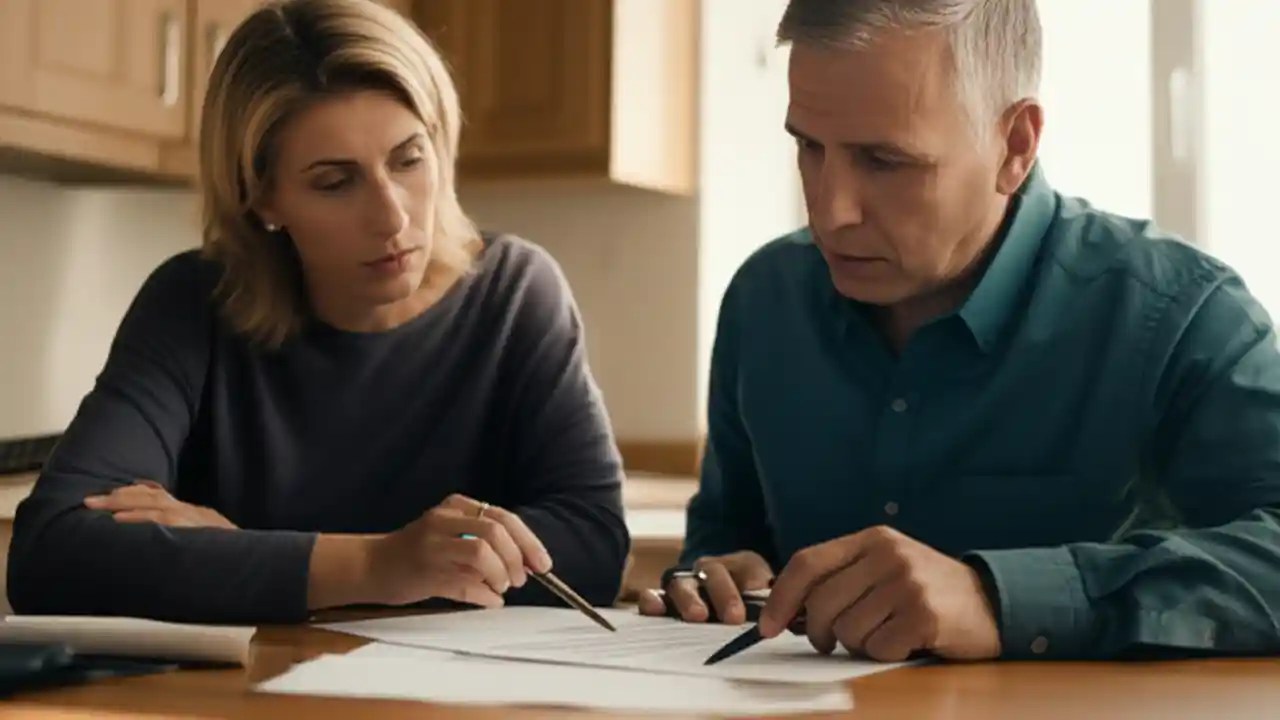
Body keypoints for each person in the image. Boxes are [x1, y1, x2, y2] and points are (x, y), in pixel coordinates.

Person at [640, 0, 1280, 662]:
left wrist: (998, 598)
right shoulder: (763, 302)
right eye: (808, 147)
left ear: (1016, 145)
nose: (832, 211)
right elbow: (723, 533)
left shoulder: (1180, 314)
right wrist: (719, 574)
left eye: (885, 161)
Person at [7, 0, 629, 623]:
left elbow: (592, 551)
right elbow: (51, 555)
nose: (392, 216)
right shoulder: (193, 302)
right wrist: (373, 566)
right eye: (335, 182)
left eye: (409, 159)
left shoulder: (516, 293)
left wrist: (237, 554)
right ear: (261, 198)